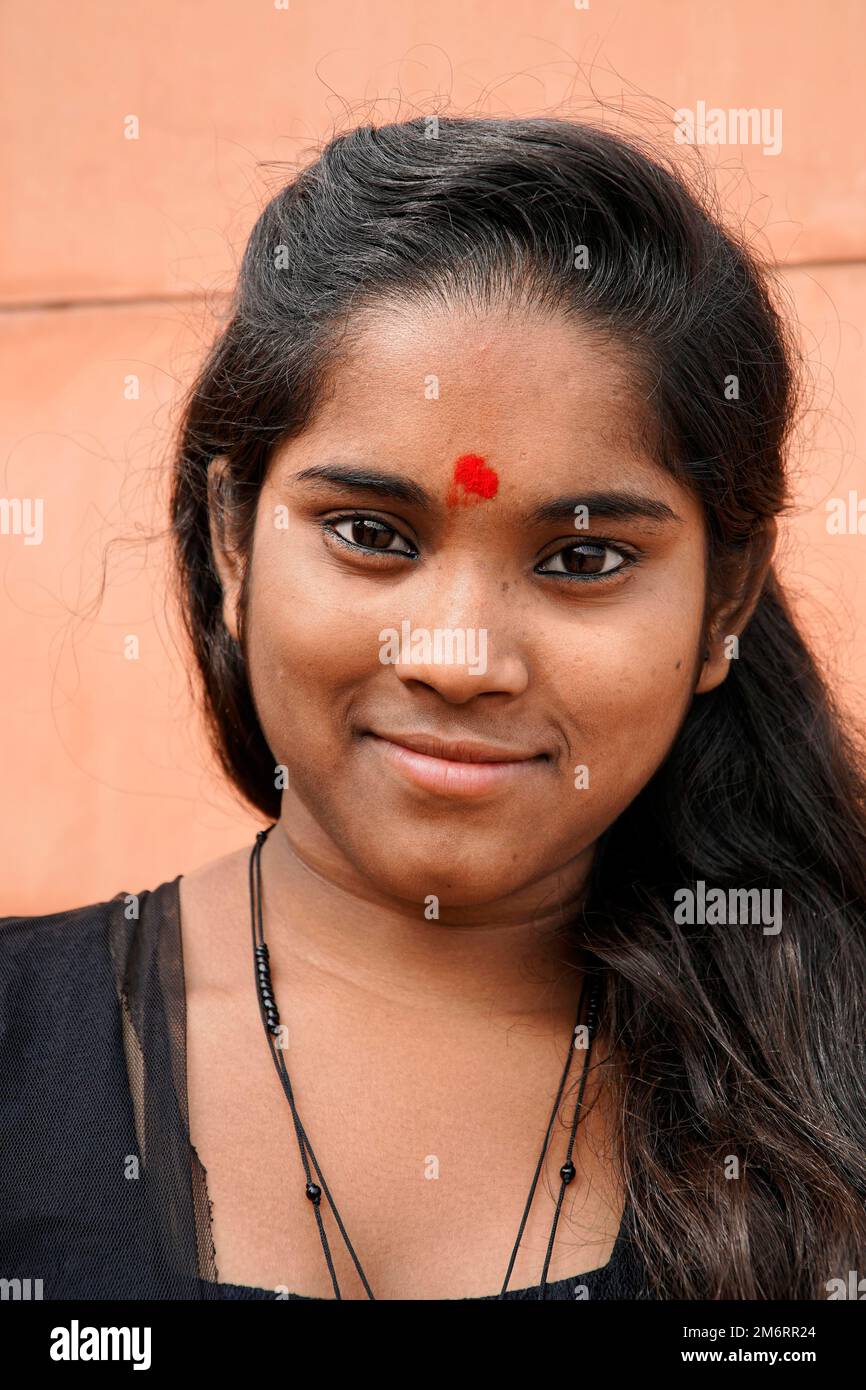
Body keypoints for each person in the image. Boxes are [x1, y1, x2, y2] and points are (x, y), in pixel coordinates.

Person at [1, 115, 864, 1302]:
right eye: (369, 534)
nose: (458, 659)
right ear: (233, 546)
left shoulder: (834, 1086)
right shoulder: (18, 1050)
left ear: (723, 600)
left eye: (582, 557)